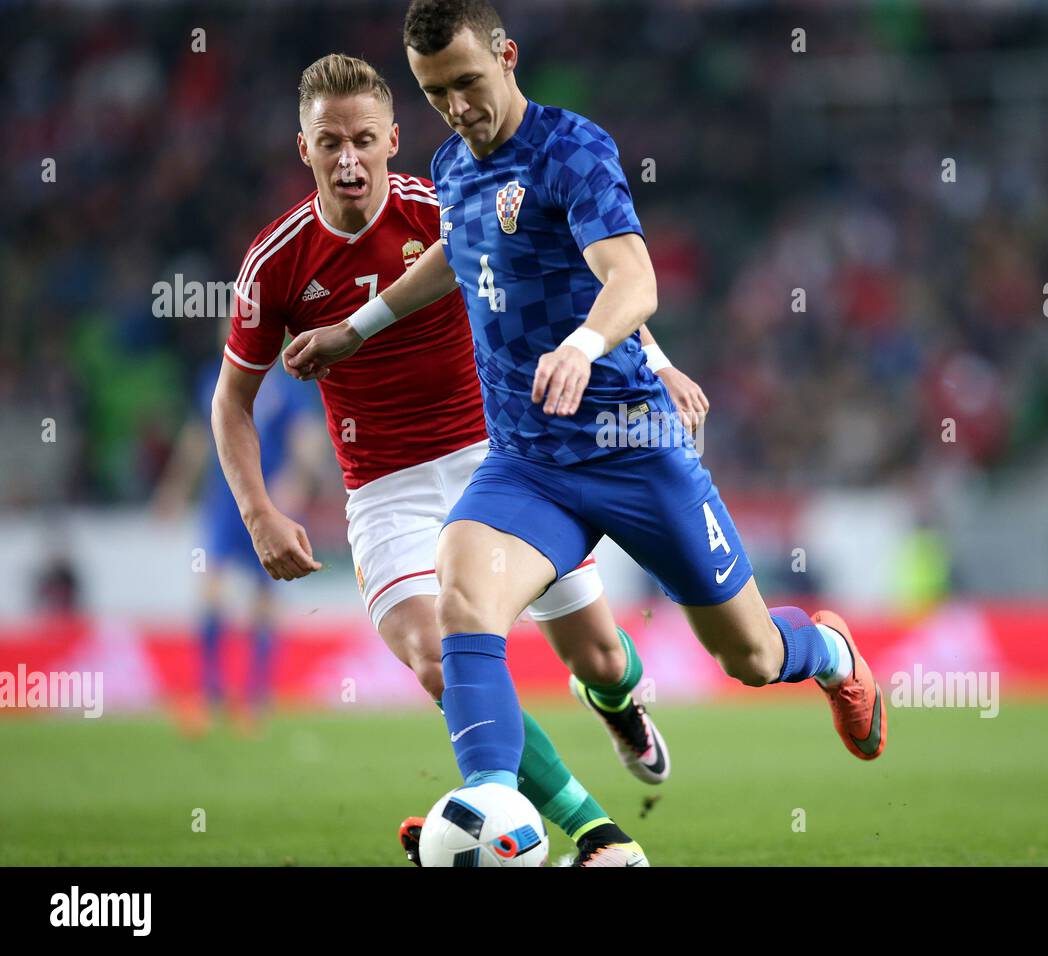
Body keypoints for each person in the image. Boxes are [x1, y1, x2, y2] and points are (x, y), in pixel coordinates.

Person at [283, 0, 888, 834]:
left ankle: (831, 653)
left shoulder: (572, 150)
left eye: (467, 82)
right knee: (463, 600)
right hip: (527, 461)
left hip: (630, 445)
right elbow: (456, 257)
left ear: (507, 56)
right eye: (434, 93)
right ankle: (493, 802)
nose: (456, 107)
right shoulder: (453, 166)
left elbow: (634, 279)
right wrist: (355, 330)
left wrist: (583, 346)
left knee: (749, 655)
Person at [213, 53, 706, 866]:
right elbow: (231, 401)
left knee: (599, 656)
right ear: (304, 149)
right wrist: (259, 511)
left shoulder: (444, 206)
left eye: (363, 139)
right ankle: (596, 834)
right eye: (329, 142)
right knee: (440, 659)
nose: (348, 159)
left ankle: (616, 701)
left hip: (502, 459)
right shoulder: (277, 262)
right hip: (387, 492)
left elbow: (578, 273)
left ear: (391, 140)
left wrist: (656, 362)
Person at [155, 349, 322, 734]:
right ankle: (210, 695)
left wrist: (299, 478)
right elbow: (198, 438)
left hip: (268, 505)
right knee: (210, 591)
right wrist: (175, 488)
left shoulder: (285, 383)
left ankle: (255, 699)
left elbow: (306, 436)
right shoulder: (214, 378)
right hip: (224, 505)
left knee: (263, 599)